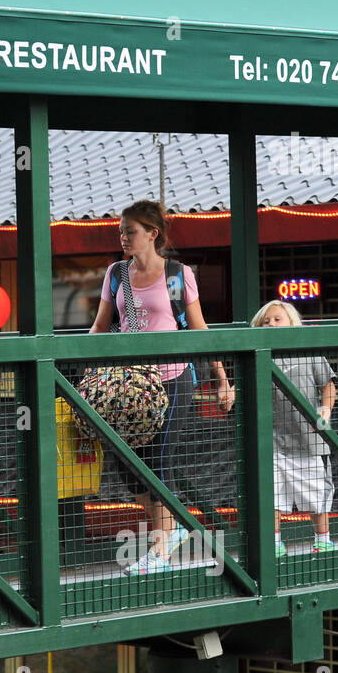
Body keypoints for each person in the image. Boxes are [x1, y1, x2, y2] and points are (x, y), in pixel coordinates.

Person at [88, 199, 234, 575]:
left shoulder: (178, 273)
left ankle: (160, 549)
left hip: (171, 378)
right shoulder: (116, 273)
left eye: (130, 231)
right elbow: (102, 326)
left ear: (152, 234)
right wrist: (86, 371)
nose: (122, 237)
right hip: (129, 384)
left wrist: (221, 378)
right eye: (120, 231)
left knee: (158, 460)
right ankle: (171, 530)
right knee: (125, 463)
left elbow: (198, 328)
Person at [252, 299, 337, 556]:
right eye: (266, 321)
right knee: (272, 493)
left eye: (277, 319)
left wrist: (325, 409)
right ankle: (274, 543)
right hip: (273, 440)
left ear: (292, 322)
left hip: (308, 440)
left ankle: (323, 541)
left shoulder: (308, 351)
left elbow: (329, 385)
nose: (271, 324)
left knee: (316, 493)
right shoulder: (257, 354)